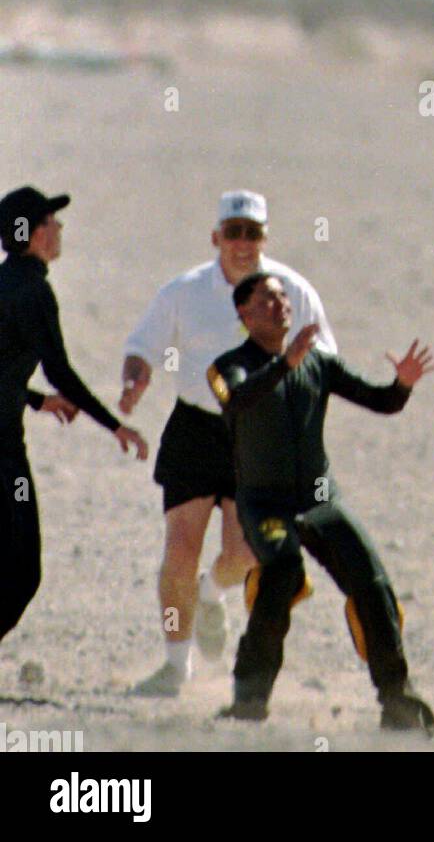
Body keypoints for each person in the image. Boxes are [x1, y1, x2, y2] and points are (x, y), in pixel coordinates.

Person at [120, 190, 337, 697]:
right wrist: (135, 379)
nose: (243, 243)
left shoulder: (292, 290)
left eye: (253, 233)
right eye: (233, 232)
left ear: (265, 238)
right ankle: (175, 666)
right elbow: (142, 345)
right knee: (179, 550)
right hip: (195, 429)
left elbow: (324, 354)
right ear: (216, 236)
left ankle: (212, 594)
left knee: (241, 553)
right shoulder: (184, 290)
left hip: (257, 434)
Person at [208, 272, 434, 733]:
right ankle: (248, 698)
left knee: (371, 581)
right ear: (244, 313)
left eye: (283, 297)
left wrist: (402, 385)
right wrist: (283, 366)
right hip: (265, 503)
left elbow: (380, 401)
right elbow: (236, 400)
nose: (280, 304)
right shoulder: (228, 366)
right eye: (267, 299)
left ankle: (398, 697)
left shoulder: (319, 363)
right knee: (283, 571)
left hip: (318, 497)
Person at [0, 186, 147, 642]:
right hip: (4, 455)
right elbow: (60, 370)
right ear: (34, 234)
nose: (60, 229)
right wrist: (115, 425)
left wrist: (35, 401)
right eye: (52, 221)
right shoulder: (33, 291)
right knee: (21, 571)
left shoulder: (6, 282)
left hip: (8, 445)